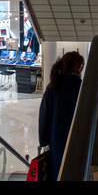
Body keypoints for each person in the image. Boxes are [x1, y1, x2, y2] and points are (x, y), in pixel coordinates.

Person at [37, 50, 84, 181]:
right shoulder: (82, 88)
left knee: (59, 173)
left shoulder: (53, 87)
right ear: (78, 67)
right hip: (78, 144)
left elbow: (44, 117)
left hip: (56, 143)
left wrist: (43, 141)